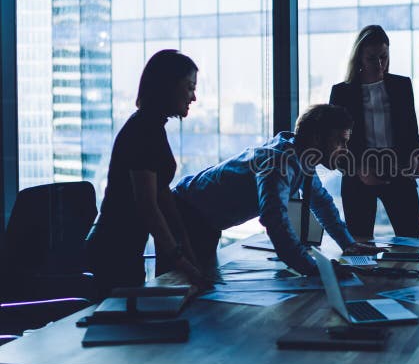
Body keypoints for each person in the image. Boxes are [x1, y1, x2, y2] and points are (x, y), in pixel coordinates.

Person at [172, 104, 381, 275]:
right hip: (185, 213)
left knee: (200, 285)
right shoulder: (278, 164)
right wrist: (313, 268)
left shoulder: (301, 159)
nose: (344, 150)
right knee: (180, 289)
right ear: (317, 138)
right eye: (340, 142)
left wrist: (348, 244)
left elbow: (322, 203)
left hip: (203, 217)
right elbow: (275, 219)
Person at [86, 49, 206, 298]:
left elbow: (162, 195)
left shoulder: (152, 126)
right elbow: (148, 206)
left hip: (125, 249)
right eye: (189, 87)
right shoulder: (143, 131)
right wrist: (181, 261)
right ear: (169, 86)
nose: (193, 97)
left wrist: (186, 249)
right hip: (113, 253)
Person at [329, 25, 419, 239]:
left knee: (412, 241)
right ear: (359, 58)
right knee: (360, 247)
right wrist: (360, 169)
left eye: (384, 57)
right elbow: (334, 145)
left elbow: (412, 133)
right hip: (358, 174)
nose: (380, 65)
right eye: (372, 58)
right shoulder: (342, 92)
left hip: (398, 171)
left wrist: (414, 159)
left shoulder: (402, 85)